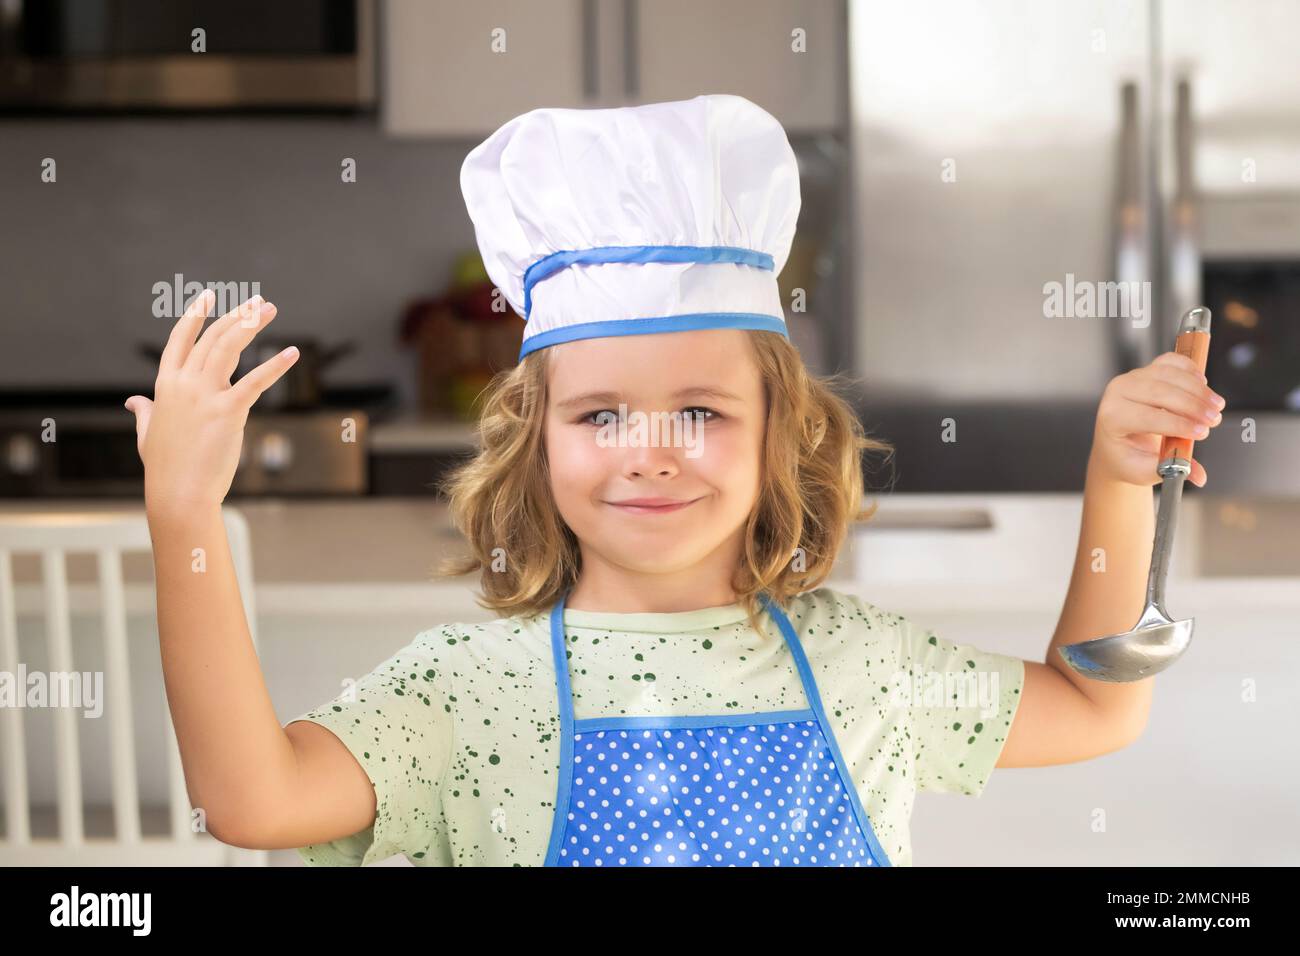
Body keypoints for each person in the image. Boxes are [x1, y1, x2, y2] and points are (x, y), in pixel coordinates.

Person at [126, 94, 1226, 867]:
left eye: (699, 412)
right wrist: (184, 516)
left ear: (777, 435)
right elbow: (252, 801)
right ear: (536, 441)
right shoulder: (464, 689)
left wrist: (1118, 480)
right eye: (600, 414)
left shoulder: (864, 667)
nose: (649, 449)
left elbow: (1095, 704)